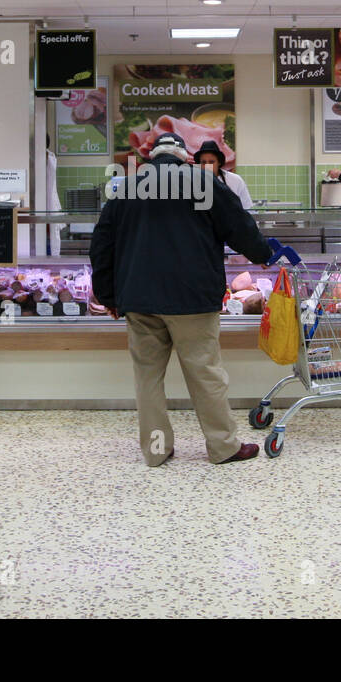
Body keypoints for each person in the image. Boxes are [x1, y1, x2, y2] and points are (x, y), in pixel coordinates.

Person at [90, 132, 273, 466]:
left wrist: (108, 296)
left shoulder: (126, 187)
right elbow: (238, 225)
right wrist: (263, 253)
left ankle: (157, 450)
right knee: (205, 373)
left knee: (148, 377)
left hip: (139, 298)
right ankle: (223, 447)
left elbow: (102, 246)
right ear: (184, 156)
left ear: (151, 157)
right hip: (193, 297)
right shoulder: (202, 182)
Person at [194, 139, 253, 211]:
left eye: (211, 162)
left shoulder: (235, 180)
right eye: (203, 162)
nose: (207, 165)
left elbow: (247, 209)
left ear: (219, 162)